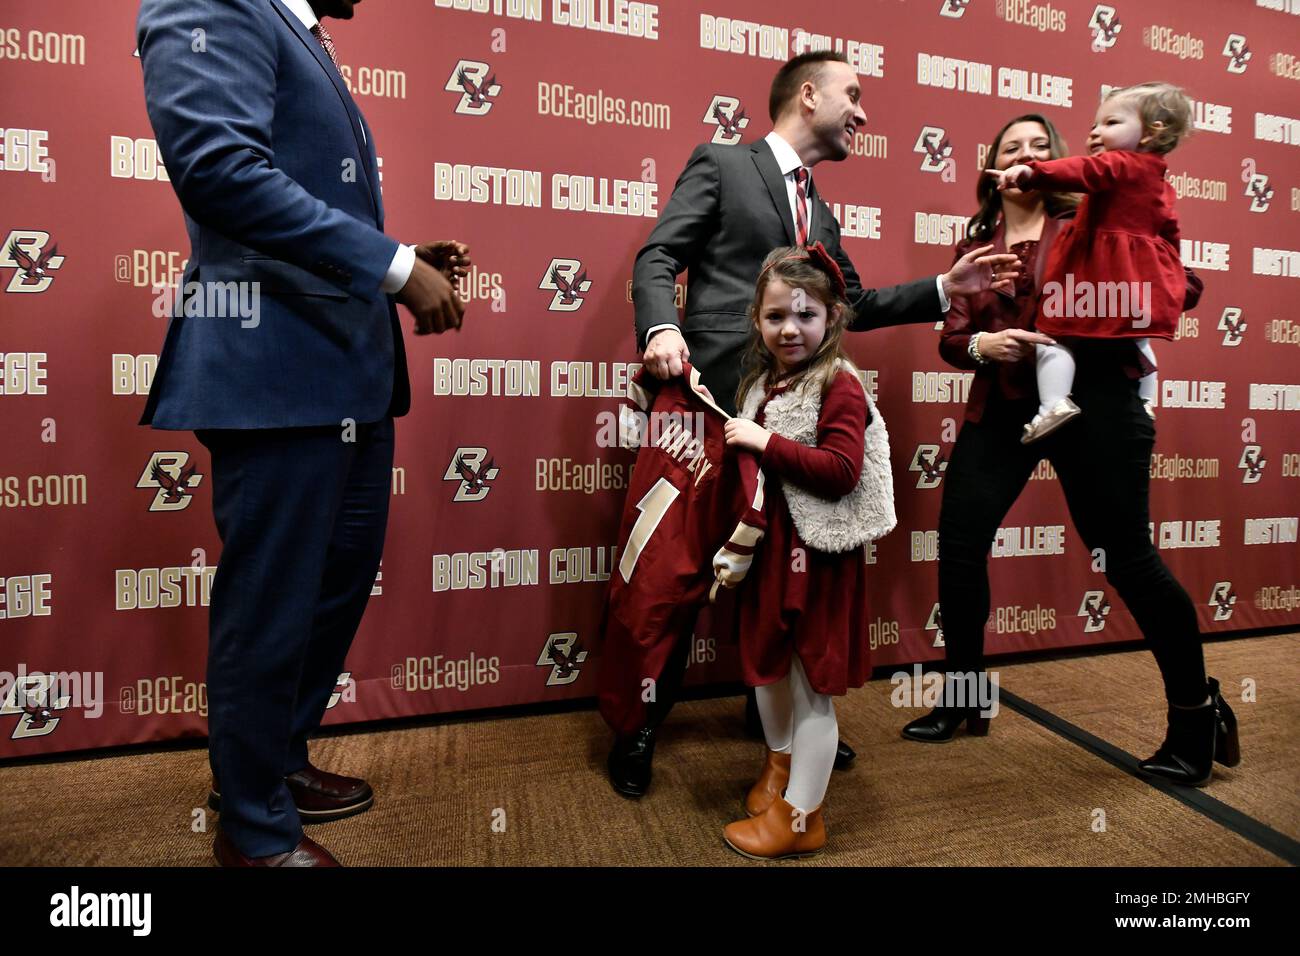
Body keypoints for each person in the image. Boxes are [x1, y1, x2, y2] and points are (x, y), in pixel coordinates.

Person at [606, 50, 1020, 798]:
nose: (863, 114)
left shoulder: (820, 211)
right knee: (667, 579)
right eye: (852, 96)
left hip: (786, 422)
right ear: (807, 95)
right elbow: (659, 253)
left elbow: (850, 303)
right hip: (703, 410)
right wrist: (659, 330)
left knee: (776, 581)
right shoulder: (723, 163)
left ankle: (785, 727)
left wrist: (941, 287)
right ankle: (636, 725)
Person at [137, 0, 469, 866]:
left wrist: (392, 251)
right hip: (272, 364)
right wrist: (393, 269)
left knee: (335, 580)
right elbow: (218, 170)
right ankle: (252, 832)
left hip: (340, 367)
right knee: (272, 601)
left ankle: (272, 765)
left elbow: (300, 197)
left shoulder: (300, 32)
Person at [900, 114, 1241, 789]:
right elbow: (951, 335)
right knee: (961, 546)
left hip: (1097, 408)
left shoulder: (1100, 218)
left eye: (1038, 146)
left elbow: (1181, 286)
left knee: (1128, 559)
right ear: (992, 166)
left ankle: (1195, 716)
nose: (1025, 153)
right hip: (1002, 408)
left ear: (1057, 165)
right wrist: (980, 346)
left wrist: (1105, 297)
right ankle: (964, 700)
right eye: (1010, 146)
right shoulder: (976, 241)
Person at [721, 244, 896, 860]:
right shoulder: (762, 382)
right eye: (775, 317)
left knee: (806, 687)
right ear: (757, 321)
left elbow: (842, 469)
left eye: (805, 316)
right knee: (765, 671)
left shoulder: (839, 384)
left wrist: (763, 440)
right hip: (772, 553)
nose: (790, 329)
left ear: (832, 319)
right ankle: (780, 769)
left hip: (816, 559)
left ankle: (802, 817)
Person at [986, 83, 1192, 442]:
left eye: (1111, 122)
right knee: (1139, 341)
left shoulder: (1120, 164)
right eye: (1094, 125)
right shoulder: (1157, 177)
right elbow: (1171, 235)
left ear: (1151, 132)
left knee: (1053, 334)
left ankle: (1053, 404)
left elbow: (1083, 171)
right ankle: (1145, 401)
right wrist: (1166, 277)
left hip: (1100, 279)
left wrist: (1031, 173)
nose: (1097, 131)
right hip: (1134, 286)